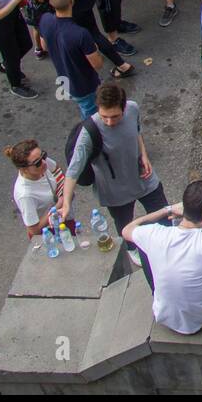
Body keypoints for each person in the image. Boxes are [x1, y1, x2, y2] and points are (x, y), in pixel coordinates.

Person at [59, 81, 169, 268]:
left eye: (115, 116)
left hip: (143, 178)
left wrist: (143, 155)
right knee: (124, 222)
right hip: (115, 190)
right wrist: (67, 203)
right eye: (104, 117)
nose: (109, 122)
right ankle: (132, 248)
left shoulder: (133, 109)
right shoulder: (89, 132)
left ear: (124, 107)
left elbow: (136, 132)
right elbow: (74, 169)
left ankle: (166, 242)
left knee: (163, 213)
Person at [123, 180, 202, 335]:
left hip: (166, 317)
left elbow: (127, 230)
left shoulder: (155, 235)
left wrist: (167, 210)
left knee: (143, 245)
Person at [38, 0, 106, 118]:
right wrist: (96, 49)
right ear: (72, 1)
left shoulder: (45, 20)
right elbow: (97, 64)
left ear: (51, 3)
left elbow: (44, 46)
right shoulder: (80, 34)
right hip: (85, 85)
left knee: (83, 106)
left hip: (64, 78)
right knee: (91, 115)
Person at [6, 139, 65, 237]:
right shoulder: (25, 195)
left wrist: (63, 194)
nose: (44, 162)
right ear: (24, 169)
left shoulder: (41, 164)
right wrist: (58, 205)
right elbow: (34, 230)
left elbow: (56, 169)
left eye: (43, 155)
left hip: (61, 218)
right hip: (49, 234)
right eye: (37, 162)